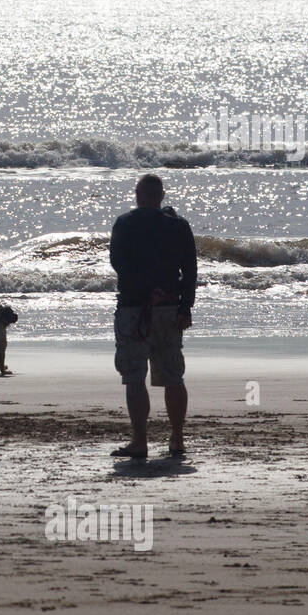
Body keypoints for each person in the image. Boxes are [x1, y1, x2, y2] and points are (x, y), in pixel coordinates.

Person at [109, 174, 197, 459]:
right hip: (169, 309)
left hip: (134, 309)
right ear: (161, 196)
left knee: (134, 377)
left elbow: (118, 264)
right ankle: (177, 438)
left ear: (138, 196)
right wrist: (186, 307)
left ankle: (140, 441)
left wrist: (146, 288)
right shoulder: (179, 226)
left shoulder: (124, 224)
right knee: (173, 375)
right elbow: (191, 270)